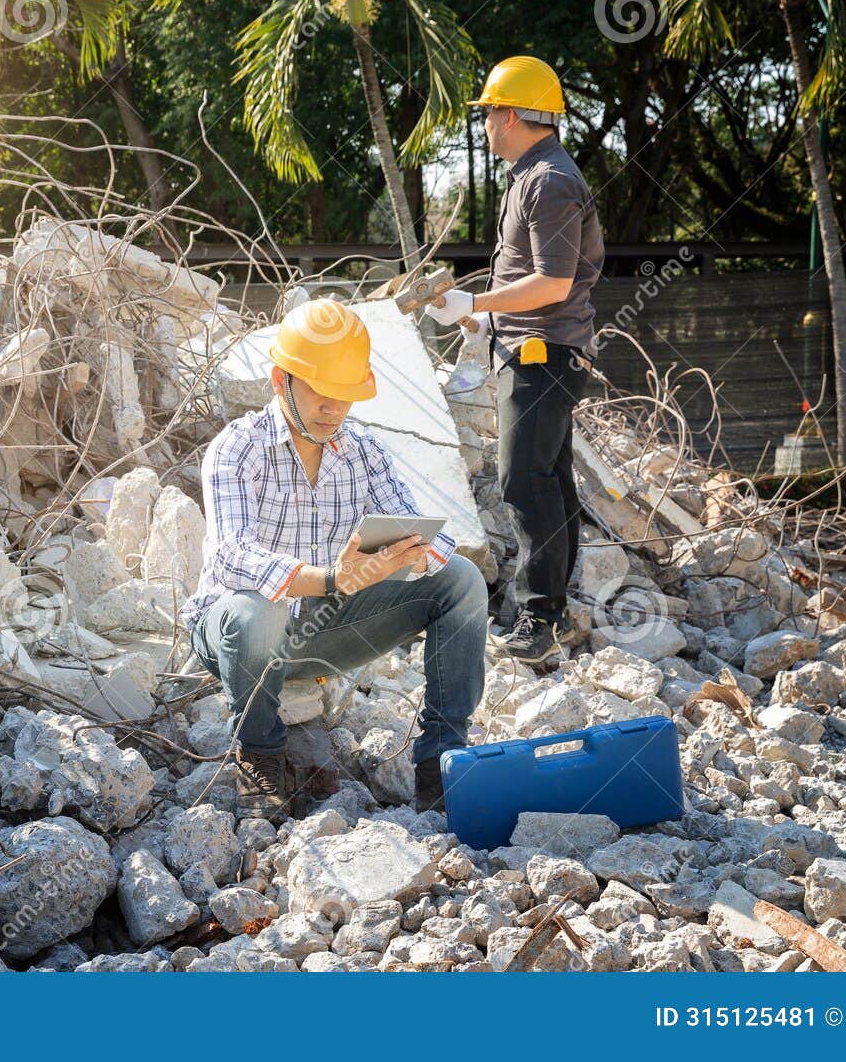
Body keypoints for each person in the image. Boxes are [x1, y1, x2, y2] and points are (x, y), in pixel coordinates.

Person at [181, 299, 488, 822]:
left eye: (345, 396)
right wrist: (333, 579)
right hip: (239, 637)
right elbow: (234, 557)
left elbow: (417, 529)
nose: (333, 408)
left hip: (323, 632)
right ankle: (259, 755)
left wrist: (403, 555)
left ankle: (441, 766)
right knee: (262, 608)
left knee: (461, 579)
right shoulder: (237, 449)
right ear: (281, 380)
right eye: (321, 392)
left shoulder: (362, 450)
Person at [421, 56, 603, 665]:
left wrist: (475, 299)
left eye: (490, 113)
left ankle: (539, 619)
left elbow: (552, 283)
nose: (487, 125)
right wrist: (480, 315)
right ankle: (554, 612)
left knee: (522, 479)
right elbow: (532, 280)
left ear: (510, 113)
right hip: (532, 347)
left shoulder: (548, 181)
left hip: (542, 354)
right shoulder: (533, 175)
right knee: (548, 479)